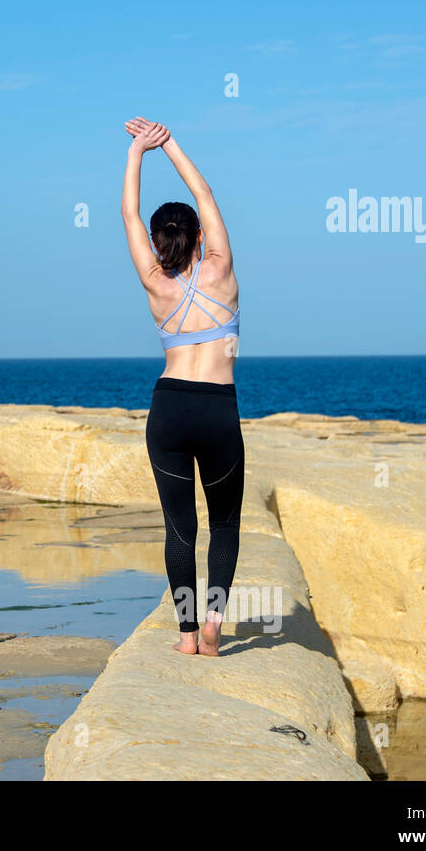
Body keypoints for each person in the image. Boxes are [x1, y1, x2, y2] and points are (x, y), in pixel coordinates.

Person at [120, 118, 243, 657]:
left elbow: (127, 211)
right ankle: (214, 626)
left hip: (168, 410)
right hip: (217, 410)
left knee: (179, 528)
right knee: (225, 524)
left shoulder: (155, 282)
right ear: (198, 236)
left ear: (158, 241)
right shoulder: (221, 272)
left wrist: (136, 153)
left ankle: (187, 635)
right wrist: (169, 144)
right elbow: (204, 191)